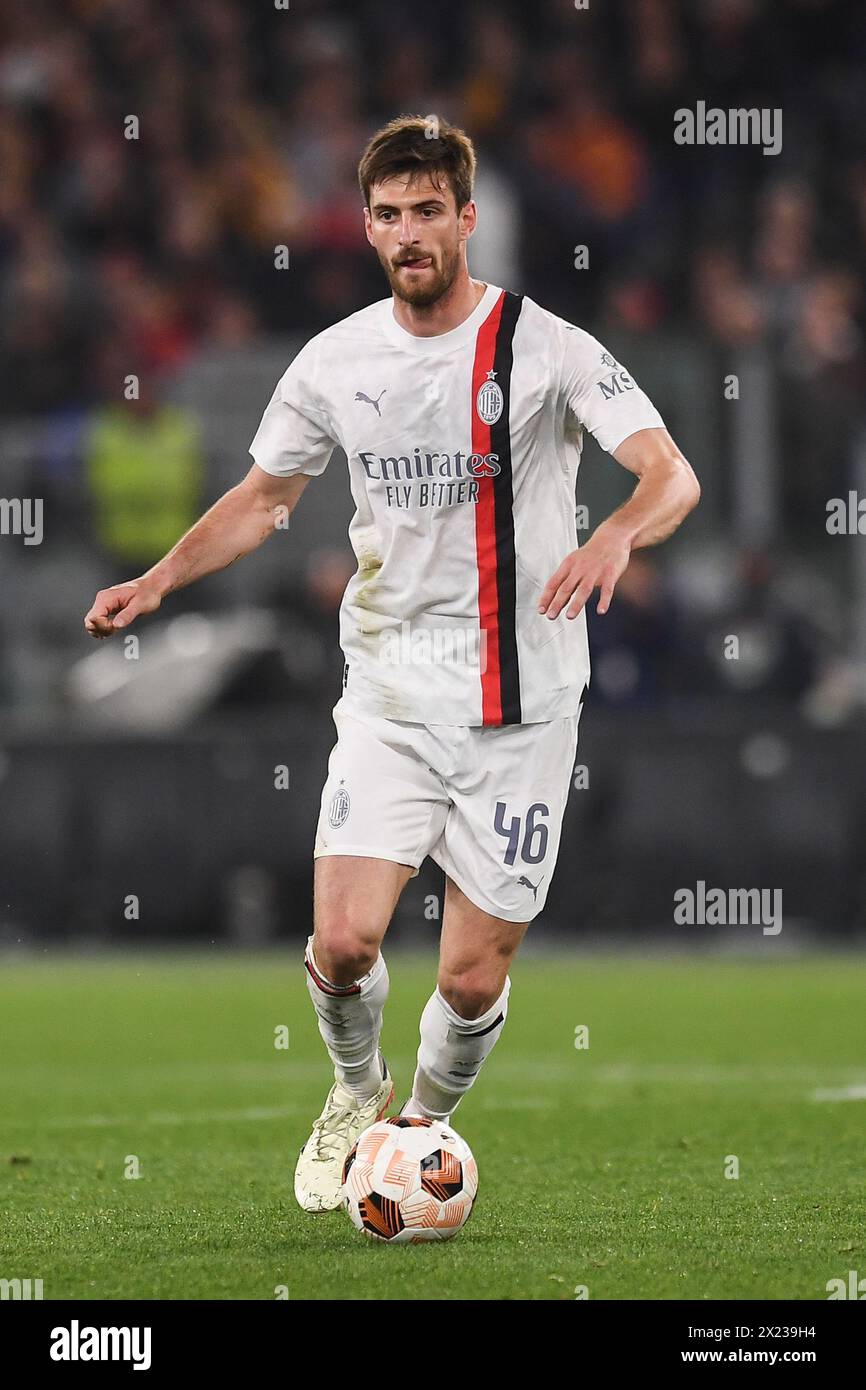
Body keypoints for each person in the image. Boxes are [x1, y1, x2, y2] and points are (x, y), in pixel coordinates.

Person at [84, 115, 700, 1214]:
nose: (408, 232)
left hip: (522, 706)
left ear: (467, 219)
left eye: (427, 211)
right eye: (386, 214)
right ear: (364, 228)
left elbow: (669, 475)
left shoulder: (545, 347)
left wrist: (613, 535)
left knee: (468, 980)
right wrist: (159, 580)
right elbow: (265, 497)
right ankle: (353, 1093)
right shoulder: (334, 360)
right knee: (341, 938)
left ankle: (417, 1126)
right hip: (390, 693)